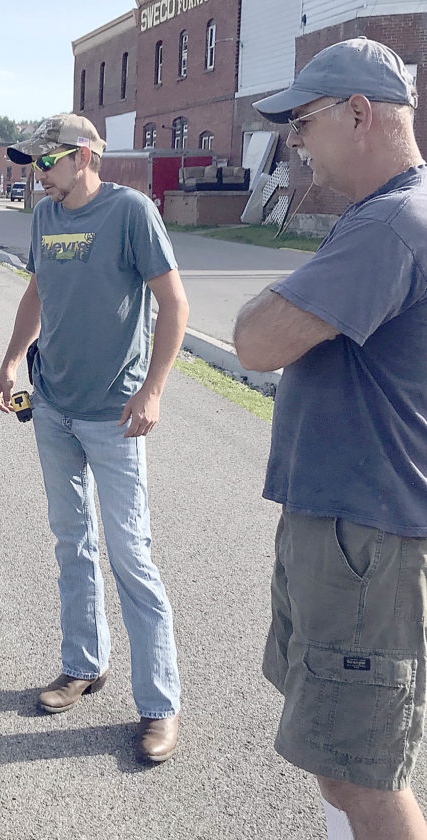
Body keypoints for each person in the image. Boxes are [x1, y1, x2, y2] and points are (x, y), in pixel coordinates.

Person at [233, 38, 427, 839]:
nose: (294, 146)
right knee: (337, 755)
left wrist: (269, 305)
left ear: (359, 113)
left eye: (303, 125)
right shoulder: (385, 218)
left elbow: (255, 341)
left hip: (364, 538)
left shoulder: (389, 225)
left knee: (363, 775)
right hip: (350, 524)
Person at [0, 114, 189, 762]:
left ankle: (159, 706)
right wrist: (12, 359)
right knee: (72, 541)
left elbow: (174, 303)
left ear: (82, 157)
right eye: (32, 165)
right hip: (53, 406)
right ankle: (82, 665)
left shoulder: (130, 213)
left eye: (44, 163)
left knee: (131, 555)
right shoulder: (47, 218)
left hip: (113, 413)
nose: (36, 175)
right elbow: (38, 290)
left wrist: (154, 390)